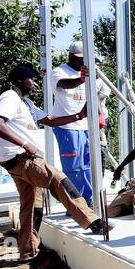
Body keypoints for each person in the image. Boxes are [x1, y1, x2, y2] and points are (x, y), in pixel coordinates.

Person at [0, 63, 106, 262]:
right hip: (22, 158)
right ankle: (92, 221)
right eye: (32, 80)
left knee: (31, 206)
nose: (36, 84)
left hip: (16, 160)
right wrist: (25, 144)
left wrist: (79, 116)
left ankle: (28, 251)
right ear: (20, 80)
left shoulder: (26, 104)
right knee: (58, 179)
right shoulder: (9, 97)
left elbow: (51, 120)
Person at [50, 41, 94, 205]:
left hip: (86, 127)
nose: (81, 61)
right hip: (67, 127)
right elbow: (65, 84)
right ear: (70, 56)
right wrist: (81, 79)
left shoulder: (89, 72)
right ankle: (75, 203)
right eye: (78, 58)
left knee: (87, 166)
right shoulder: (59, 72)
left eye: (84, 59)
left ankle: (88, 200)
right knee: (73, 168)